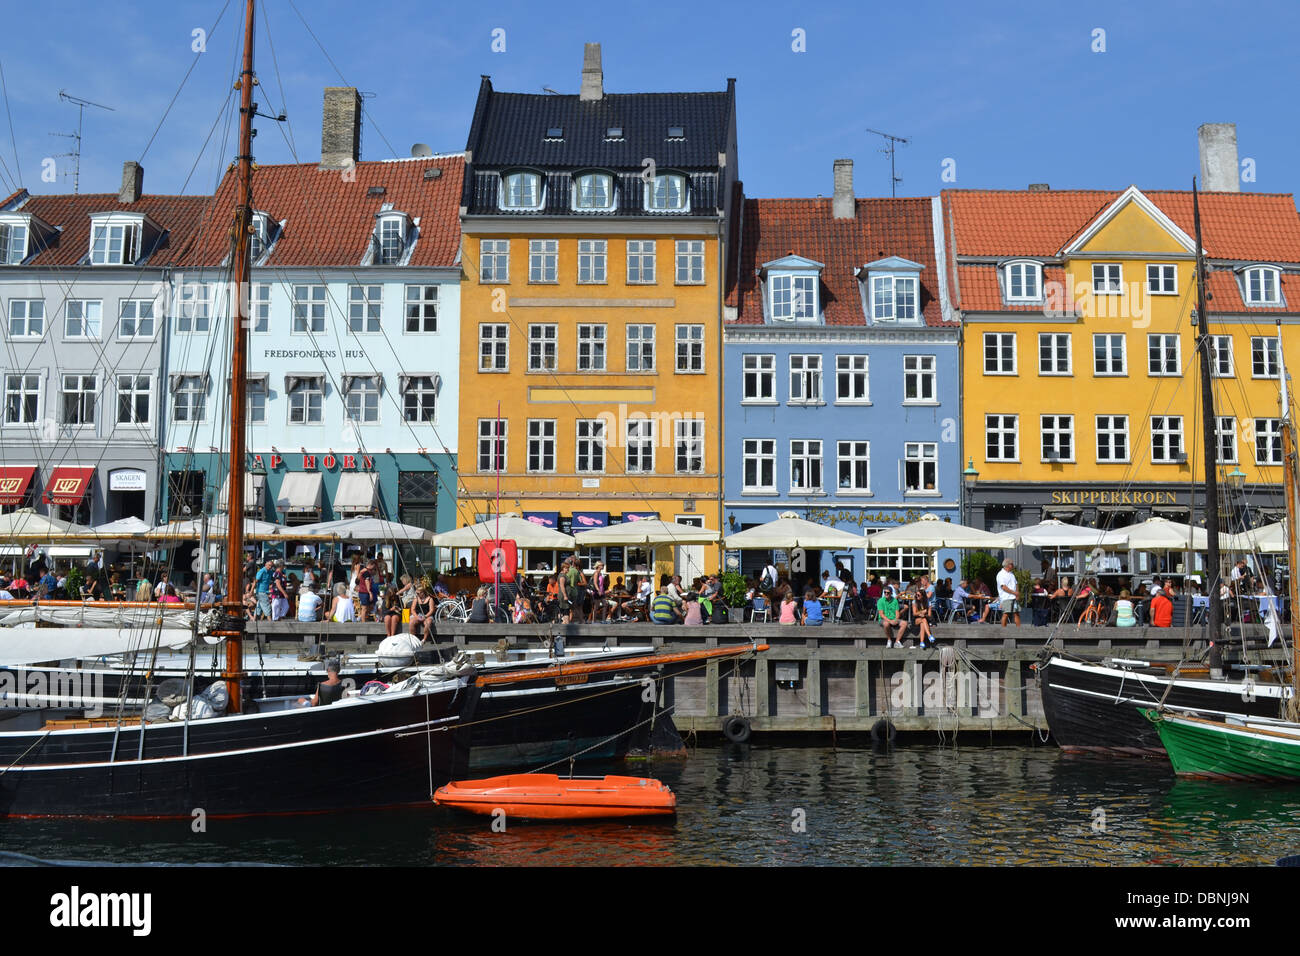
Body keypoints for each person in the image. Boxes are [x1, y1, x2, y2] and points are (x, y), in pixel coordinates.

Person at [996, 559, 1020, 627]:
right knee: (1006, 614)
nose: (1013, 565)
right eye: (1012, 564)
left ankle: (1019, 631)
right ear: (1008, 565)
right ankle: (1003, 631)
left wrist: (1017, 593)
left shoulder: (1011, 574)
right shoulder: (1001, 574)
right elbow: (1003, 587)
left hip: (1014, 597)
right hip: (1006, 597)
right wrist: (1014, 593)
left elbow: (1016, 584)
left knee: (1016, 613)